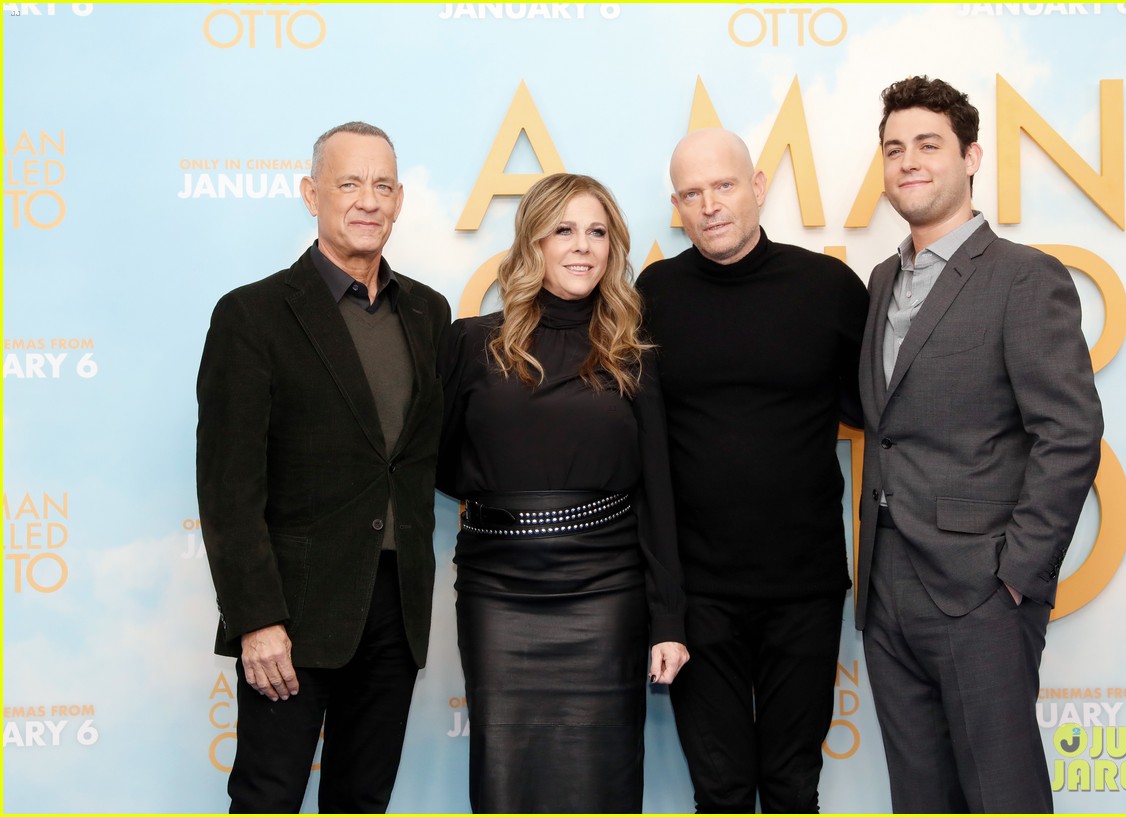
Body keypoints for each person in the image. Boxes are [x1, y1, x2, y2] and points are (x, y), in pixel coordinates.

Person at [857, 76, 1105, 813]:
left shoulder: (1025, 278)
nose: (909, 161)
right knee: (920, 799)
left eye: (928, 145)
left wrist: (1015, 575)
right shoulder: (879, 281)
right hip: (886, 586)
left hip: (982, 590)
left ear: (971, 157)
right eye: (894, 148)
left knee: (1004, 797)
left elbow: (1070, 432)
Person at [196, 121, 450, 813]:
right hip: (293, 613)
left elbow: (428, 455)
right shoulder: (253, 315)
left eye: (383, 185)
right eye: (348, 183)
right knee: (267, 796)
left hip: (397, 608)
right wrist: (256, 618)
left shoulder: (428, 312)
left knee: (363, 798)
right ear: (312, 193)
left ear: (399, 200)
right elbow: (228, 488)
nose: (368, 200)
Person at [437, 173, 689, 813]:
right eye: (564, 230)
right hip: (498, 590)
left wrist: (668, 620)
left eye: (598, 231)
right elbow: (439, 461)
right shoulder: (472, 342)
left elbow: (657, 491)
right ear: (534, 244)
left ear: (614, 246)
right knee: (506, 783)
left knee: (600, 784)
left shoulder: (632, 353)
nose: (583, 247)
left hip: (606, 589)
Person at [636, 128, 868, 813]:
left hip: (806, 588)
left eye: (725, 186)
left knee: (795, 785)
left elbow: (883, 407)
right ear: (676, 204)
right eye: (692, 193)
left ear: (759, 185)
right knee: (722, 790)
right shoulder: (654, 292)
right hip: (699, 596)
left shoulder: (828, 287)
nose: (709, 205)